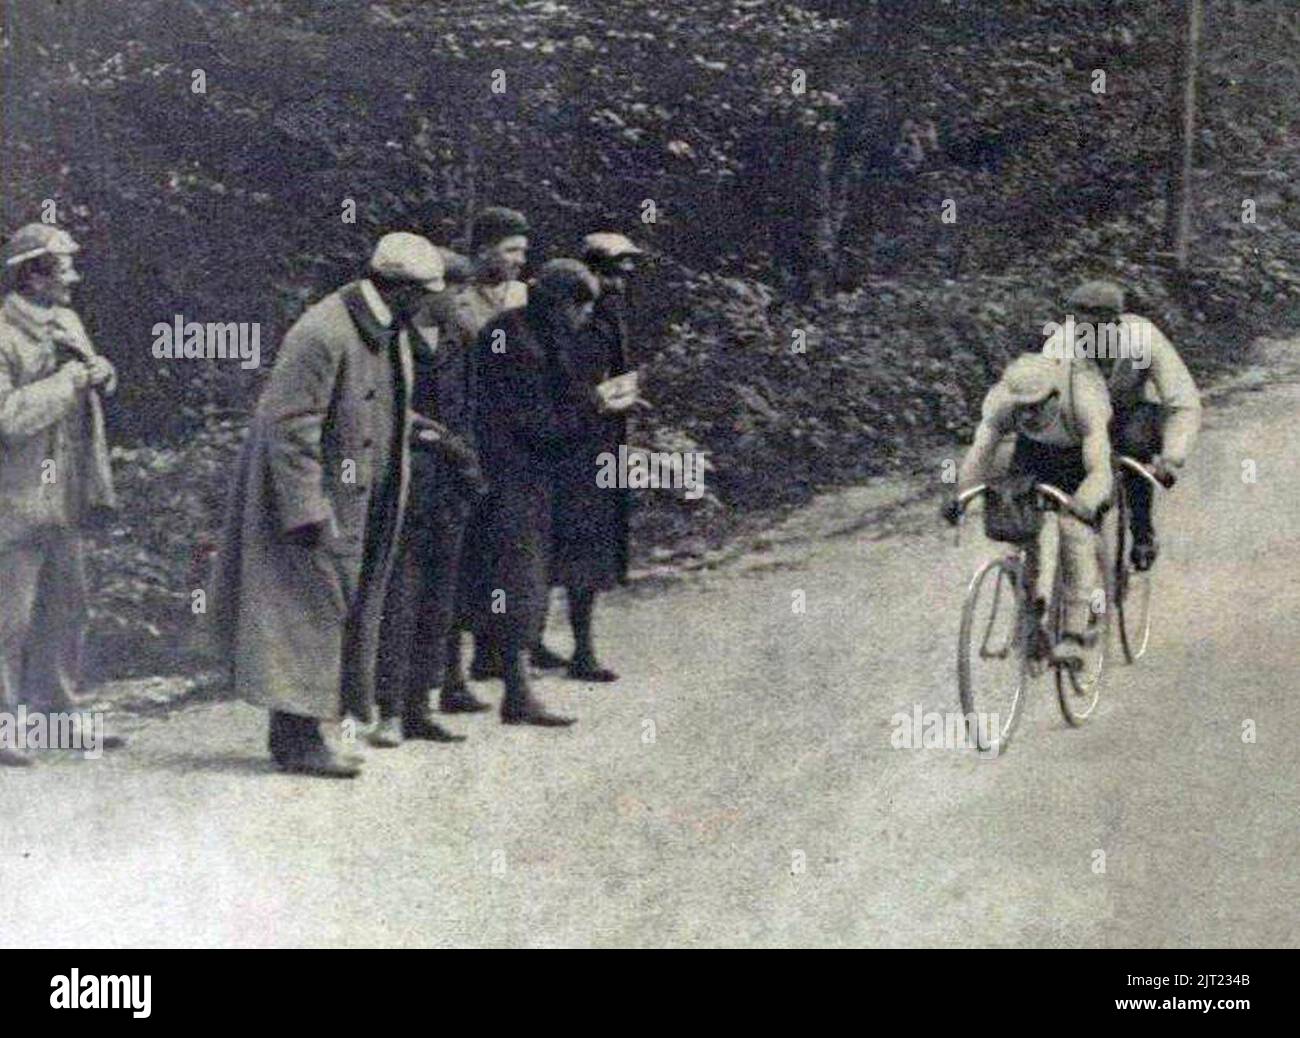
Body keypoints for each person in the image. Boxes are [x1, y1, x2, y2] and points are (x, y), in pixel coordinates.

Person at [211, 233, 443, 777]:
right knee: (304, 616)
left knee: (338, 613)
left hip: (366, 496)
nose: (431, 302)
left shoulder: (389, 332)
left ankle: (309, 727)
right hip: (317, 502)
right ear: (397, 287)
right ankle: (296, 738)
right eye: (423, 292)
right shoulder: (322, 331)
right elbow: (289, 426)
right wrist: (305, 507)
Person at [0, 223, 123, 767]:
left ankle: (59, 718)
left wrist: (102, 373)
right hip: (15, 498)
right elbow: (8, 418)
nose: (73, 277)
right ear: (32, 275)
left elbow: (89, 384)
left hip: (67, 492)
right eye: (63, 268)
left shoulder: (66, 322)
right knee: (9, 617)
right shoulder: (3, 334)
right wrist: (72, 380)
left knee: (66, 609)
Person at [470, 259, 604, 726]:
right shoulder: (516, 341)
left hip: (536, 473)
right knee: (517, 576)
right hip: (512, 473)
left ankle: (511, 678)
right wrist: (596, 407)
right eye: (579, 308)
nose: (583, 319)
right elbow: (535, 420)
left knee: (526, 575)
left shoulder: (534, 332)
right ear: (562, 303)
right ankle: (516, 688)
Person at [369, 254, 489, 748]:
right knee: (400, 600)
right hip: (408, 483)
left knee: (440, 601)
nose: (462, 303)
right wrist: (432, 436)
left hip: (453, 484)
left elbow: (475, 408)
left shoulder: (461, 342)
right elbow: (385, 409)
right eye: (455, 294)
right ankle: (390, 711)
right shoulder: (393, 340)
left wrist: (469, 462)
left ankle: (422, 706)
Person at [943, 352, 1113, 668]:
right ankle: (1032, 606)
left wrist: (1085, 503)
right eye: (1023, 409)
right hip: (1033, 455)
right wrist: (963, 498)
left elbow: (1100, 469)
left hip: (1079, 459)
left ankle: (1074, 635)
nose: (1030, 415)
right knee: (1021, 525)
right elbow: (980, 454)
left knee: (1072, 531)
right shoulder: (1001, 403)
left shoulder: (1084, 401)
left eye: (1037, 406)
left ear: (1054, 395)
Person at [427, 207, 531, 713]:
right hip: (462, 450)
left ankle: (491, 660)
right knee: (458, 568)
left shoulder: (516, 298)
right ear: (484, 249)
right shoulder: (455, 300)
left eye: (522, 252)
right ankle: (449, 677)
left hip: (494, 449)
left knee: (492, 565)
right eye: (510, 249)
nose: (517, 260)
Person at [534, 232, 645, 681]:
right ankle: (548, 644)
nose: (619, 284)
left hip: (604, 443)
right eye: (613, 274)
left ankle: (576, 647)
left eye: (624, 275)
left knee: (592, 546)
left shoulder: (610, 316)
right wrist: (596, 400)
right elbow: (558, 383)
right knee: (563, 545)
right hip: (569, 448)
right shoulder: (567, 320)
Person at [1055, 280, 1201, 570]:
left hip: (1128, 411)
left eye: (1098, 330)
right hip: (1083, 414)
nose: (1088, 339)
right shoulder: (1060, 345)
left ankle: (1142, 530)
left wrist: (1172, 458)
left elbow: (1183, 401)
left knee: (1134, 445)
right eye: (1080, 331)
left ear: (1116, 325)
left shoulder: (1143, 340)